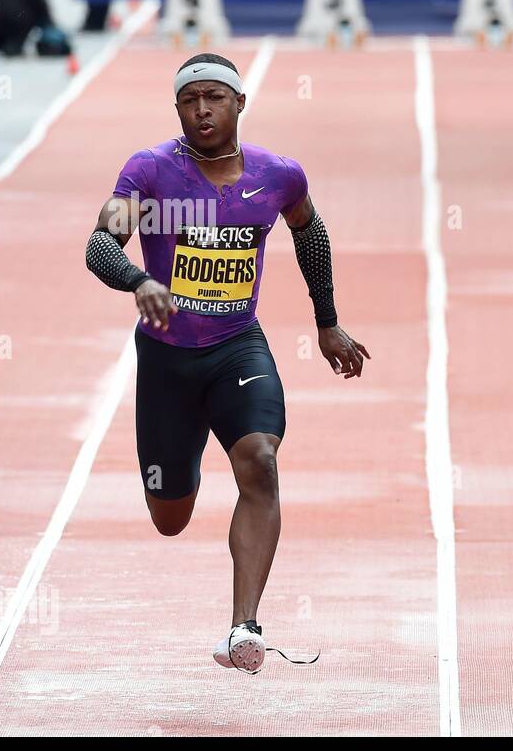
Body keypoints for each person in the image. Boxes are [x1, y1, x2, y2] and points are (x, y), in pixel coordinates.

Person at [85, 54, 370, 673]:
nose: (201, 111)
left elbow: (310, 234)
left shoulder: (279, 175)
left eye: (214, 98)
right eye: (189, 101)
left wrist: (327, 324)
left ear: (240, 103)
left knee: (260, 462)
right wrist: (138, 280)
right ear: (178, 110)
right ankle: (184, 462)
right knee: (170, 517)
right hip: (166, 361)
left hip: (237, 347)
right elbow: (100, 243)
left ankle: (246, 628)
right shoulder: (150, 172)